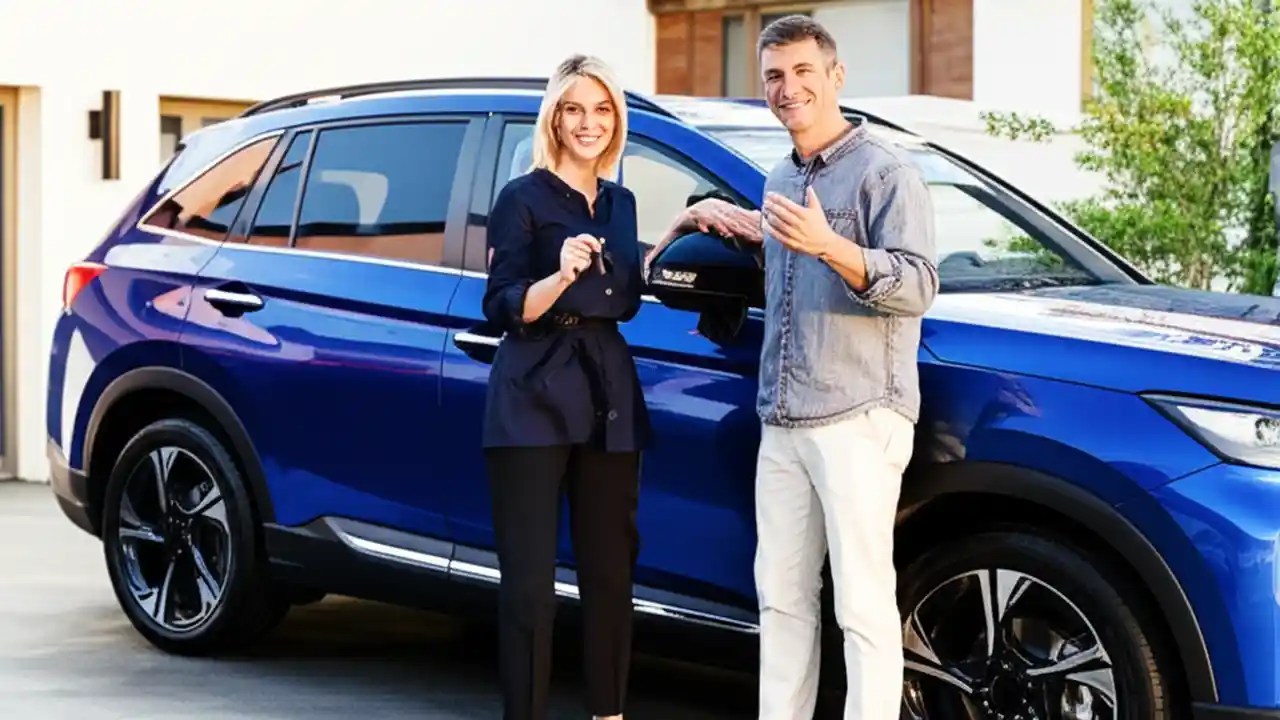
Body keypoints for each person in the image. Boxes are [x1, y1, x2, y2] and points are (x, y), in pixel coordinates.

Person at [653, 14, 939, 720]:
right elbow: (787, 274)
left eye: (803, 72)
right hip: (780, 417)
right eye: (775, 76)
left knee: (864, 604)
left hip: (859, 415)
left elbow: (918, 284)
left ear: (835, 76)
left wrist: (826, 245)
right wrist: (731, 223)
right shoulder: (782, 173)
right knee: (781, 598)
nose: (788, 89)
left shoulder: (885, 173)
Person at [480, 54, 650, 720]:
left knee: (611, 577)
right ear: (554, 116)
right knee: (529, 588)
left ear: (617, 120)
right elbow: (501, 305)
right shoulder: (520, 197)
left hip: (607, 392)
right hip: (531, 393)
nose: (589, 123)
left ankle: (609, 713)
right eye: (574, 108)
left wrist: (679, 241)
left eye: (602, 109)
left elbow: (625, 297)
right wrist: (560, 274)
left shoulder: (622, 203)